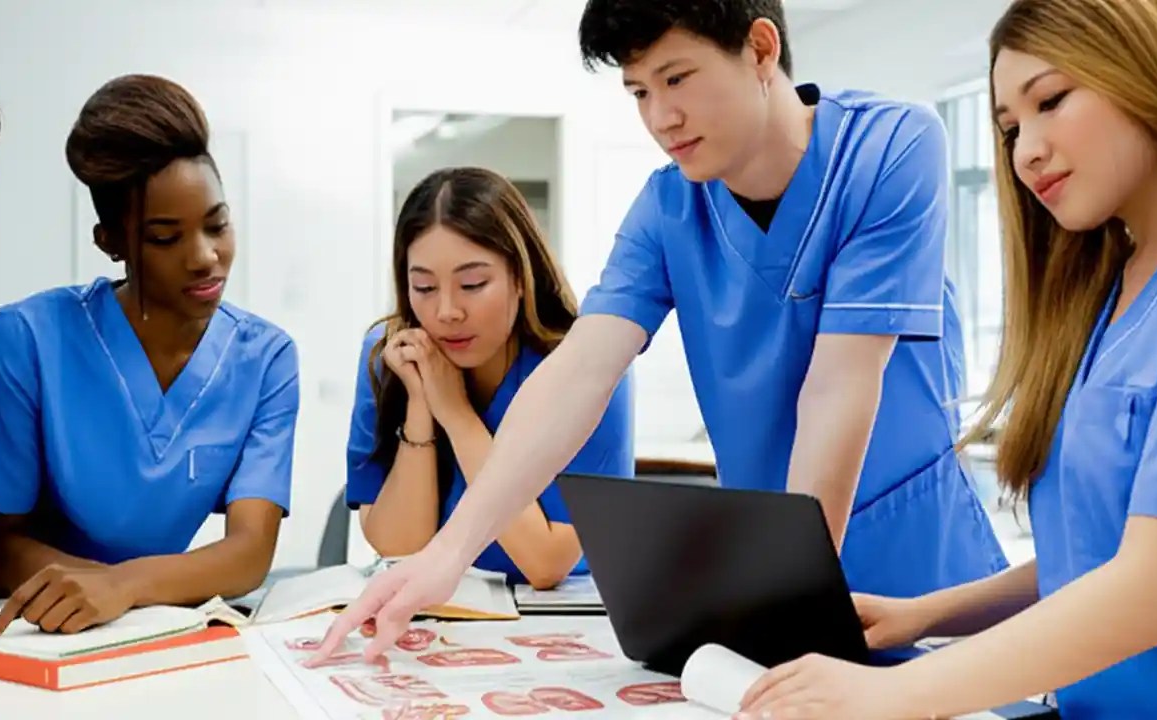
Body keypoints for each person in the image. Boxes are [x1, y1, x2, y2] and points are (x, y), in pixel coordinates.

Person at [314, 0, 1004, 659]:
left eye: (677, 79)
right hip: (776, 569)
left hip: (918, 575)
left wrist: (792, 598)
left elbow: (838, 385)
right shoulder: (669, 206)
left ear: (760, 49)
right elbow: (580, 371)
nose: (660, 117)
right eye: (639, 91)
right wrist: (447, 554)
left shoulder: (890, 147)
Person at [733, 0, 1157, 717]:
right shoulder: (1108, 298)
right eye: (1010, 129)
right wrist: (927, 615)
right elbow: (1095, 552)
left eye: (1051, 100)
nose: (1026, 152)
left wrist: (894, 693)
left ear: (1147, 68)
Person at [0, 74, 299, 637]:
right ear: (111, 242)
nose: (204, 256)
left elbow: (248, 552)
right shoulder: (28, 338)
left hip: (160, 624)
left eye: (217, 224)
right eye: (165, 238)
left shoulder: (266, 358)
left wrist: (124, 590)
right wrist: (113, 593)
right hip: (41, 627)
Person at [346, 167, 634, 590]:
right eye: (424, 288)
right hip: (443, 608)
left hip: (561, 611)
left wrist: (455, 412)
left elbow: (545, 564)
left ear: (520, 277)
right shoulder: (388, 358)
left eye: (472, 284)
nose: (447, 311)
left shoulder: (588, 360)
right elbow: (401, 548)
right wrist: (420, 403)